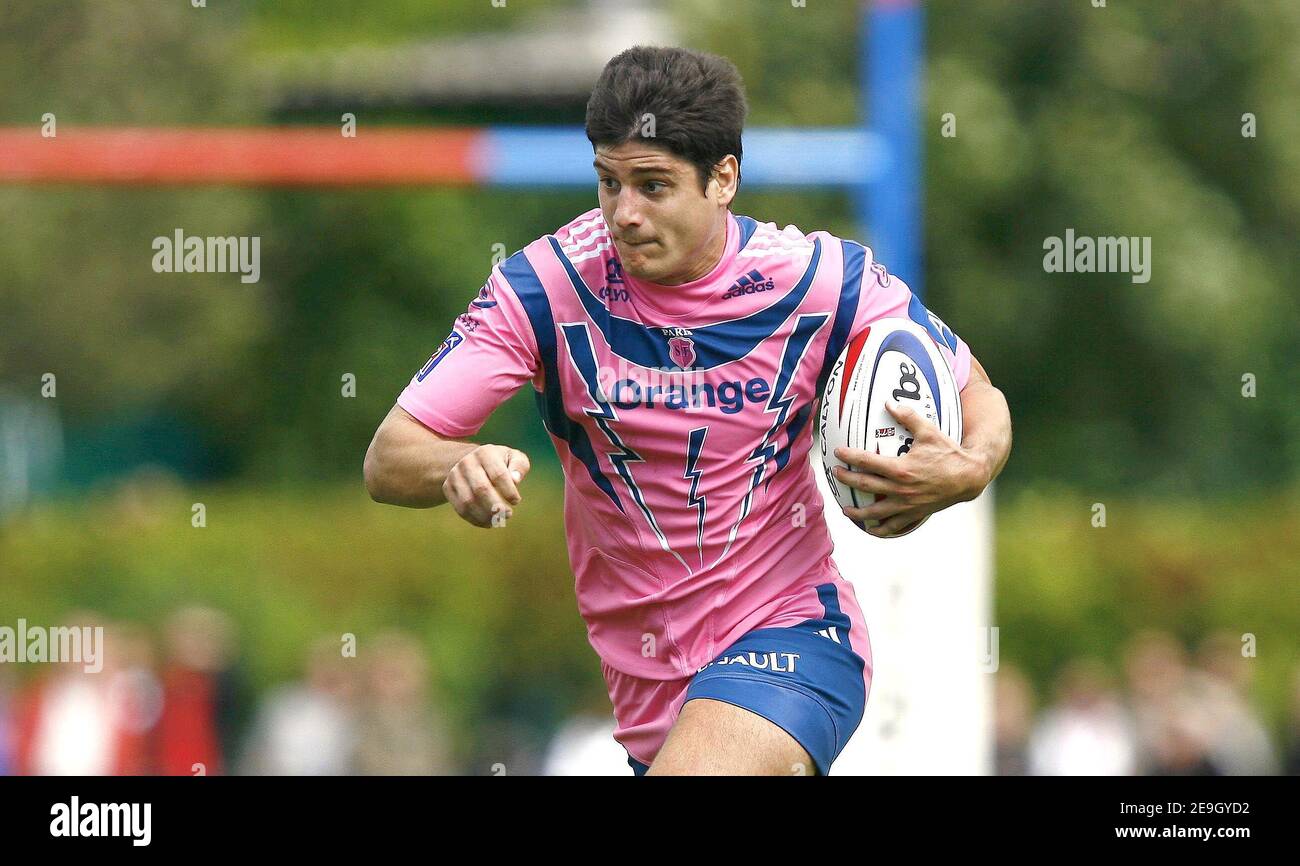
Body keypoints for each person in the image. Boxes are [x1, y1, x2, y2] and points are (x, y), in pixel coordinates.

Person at [365, 46, 1012, 775]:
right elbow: (390, 454)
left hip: (797, 638)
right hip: (649, 699)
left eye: (653, 186)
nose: (624, 213)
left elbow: (976, 390)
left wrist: (971, 466)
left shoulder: (821, 281)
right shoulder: (543, 288)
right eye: (608, 182)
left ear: (723, 179)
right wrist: (460, 461)